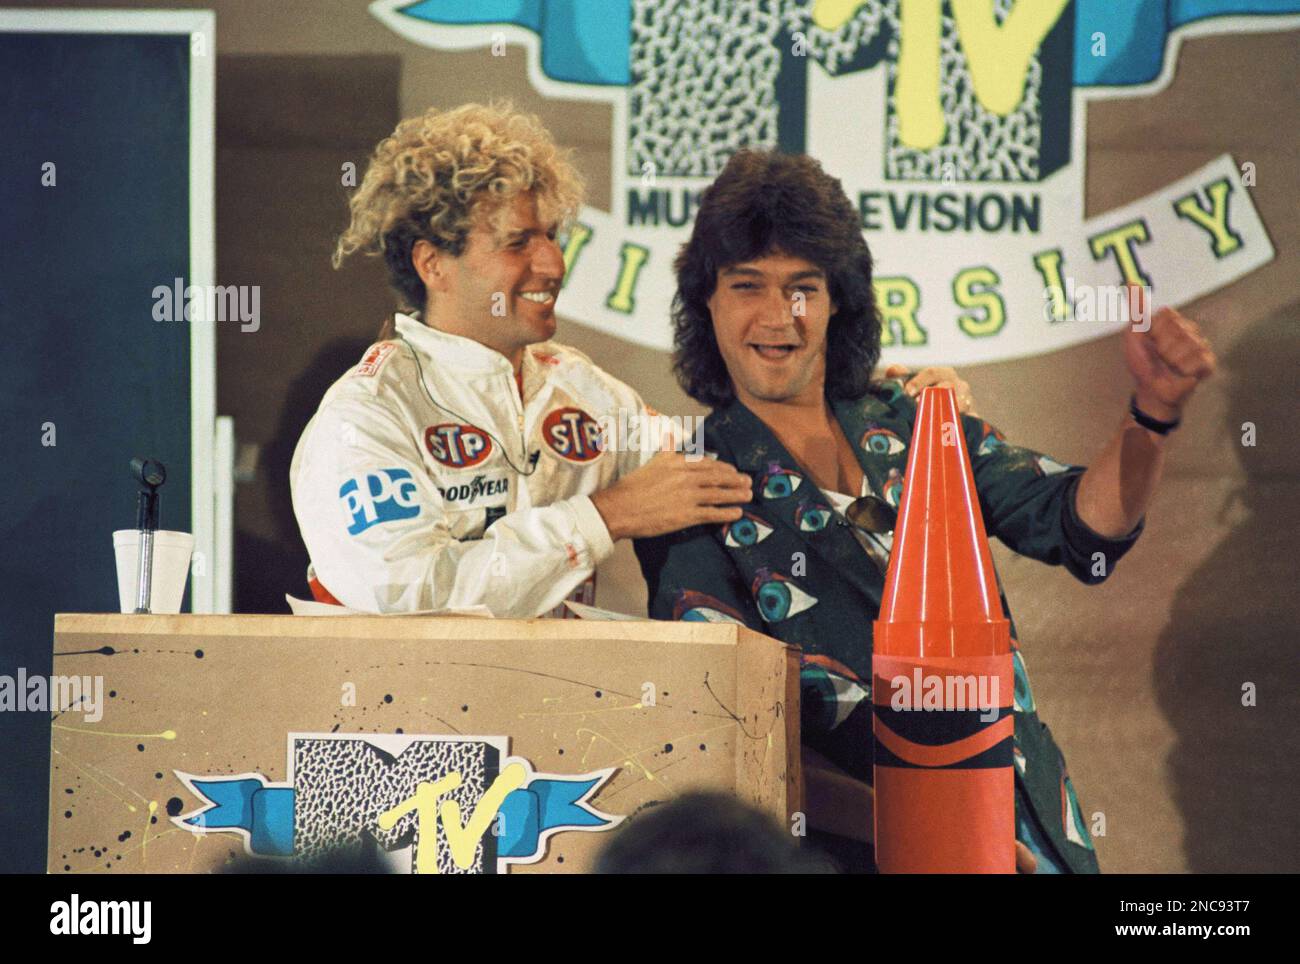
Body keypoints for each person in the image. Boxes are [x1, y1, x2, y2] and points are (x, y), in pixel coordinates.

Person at [633, 149, 1216, 873]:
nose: (777, 316)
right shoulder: (689, 483)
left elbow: (1083, 529)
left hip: (1030, 833)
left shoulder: (917, 418)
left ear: (838, 297)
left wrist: (1152, 414)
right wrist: (940, 827)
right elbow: (732, 738)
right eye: (746, 285)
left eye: (802, 287)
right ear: (707, 301)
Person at [290, 102, 966, 616]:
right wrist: (605, 516)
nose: (552, 263)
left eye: (551, 236)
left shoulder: (574, 389)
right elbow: (409, 600)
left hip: (547, 748)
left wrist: (878, 402)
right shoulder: (367, 418)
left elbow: (731, 462)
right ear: (433, 263)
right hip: (399, 760)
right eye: (517, 242)